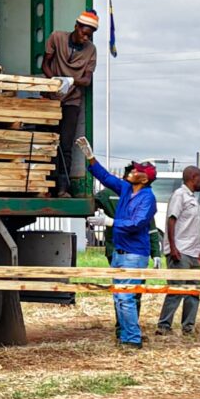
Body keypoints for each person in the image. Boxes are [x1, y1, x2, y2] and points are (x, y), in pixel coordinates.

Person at [79, 139, 159, 348]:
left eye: (137, 171)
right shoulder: (126, 189)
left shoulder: (147, 198)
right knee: (119, 297)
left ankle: (132, 339)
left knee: (126, 297)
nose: (132, 172)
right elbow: (106, 177)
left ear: (144, 179)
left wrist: (111, 222)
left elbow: (138, 223)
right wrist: (91, 158)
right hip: (120, 252)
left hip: (134, 254)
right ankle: (125, 337)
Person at [41, 11, 100, 193]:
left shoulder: (91, 50)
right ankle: (45, 184)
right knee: (48, 141)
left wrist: (71, 81)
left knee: (66, 145)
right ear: (76, 27)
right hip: (51, 98)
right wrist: (55, 82)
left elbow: (87, 80)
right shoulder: (57, 37)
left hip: (72, 100)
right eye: (84, 33)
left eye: (89, 35)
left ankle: (62, 187)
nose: (85, 38)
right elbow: (45, 64)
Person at [160, 163, 200, 335]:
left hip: (193, 252)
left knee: (193, 291)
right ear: (193, 178)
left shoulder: (192, 198)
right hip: (180, 251)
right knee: (176, 289)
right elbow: (171, 220)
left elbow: (192, 227)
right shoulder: (180, 195)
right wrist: (172, 247)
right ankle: (164, 325)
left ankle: (188, 326)